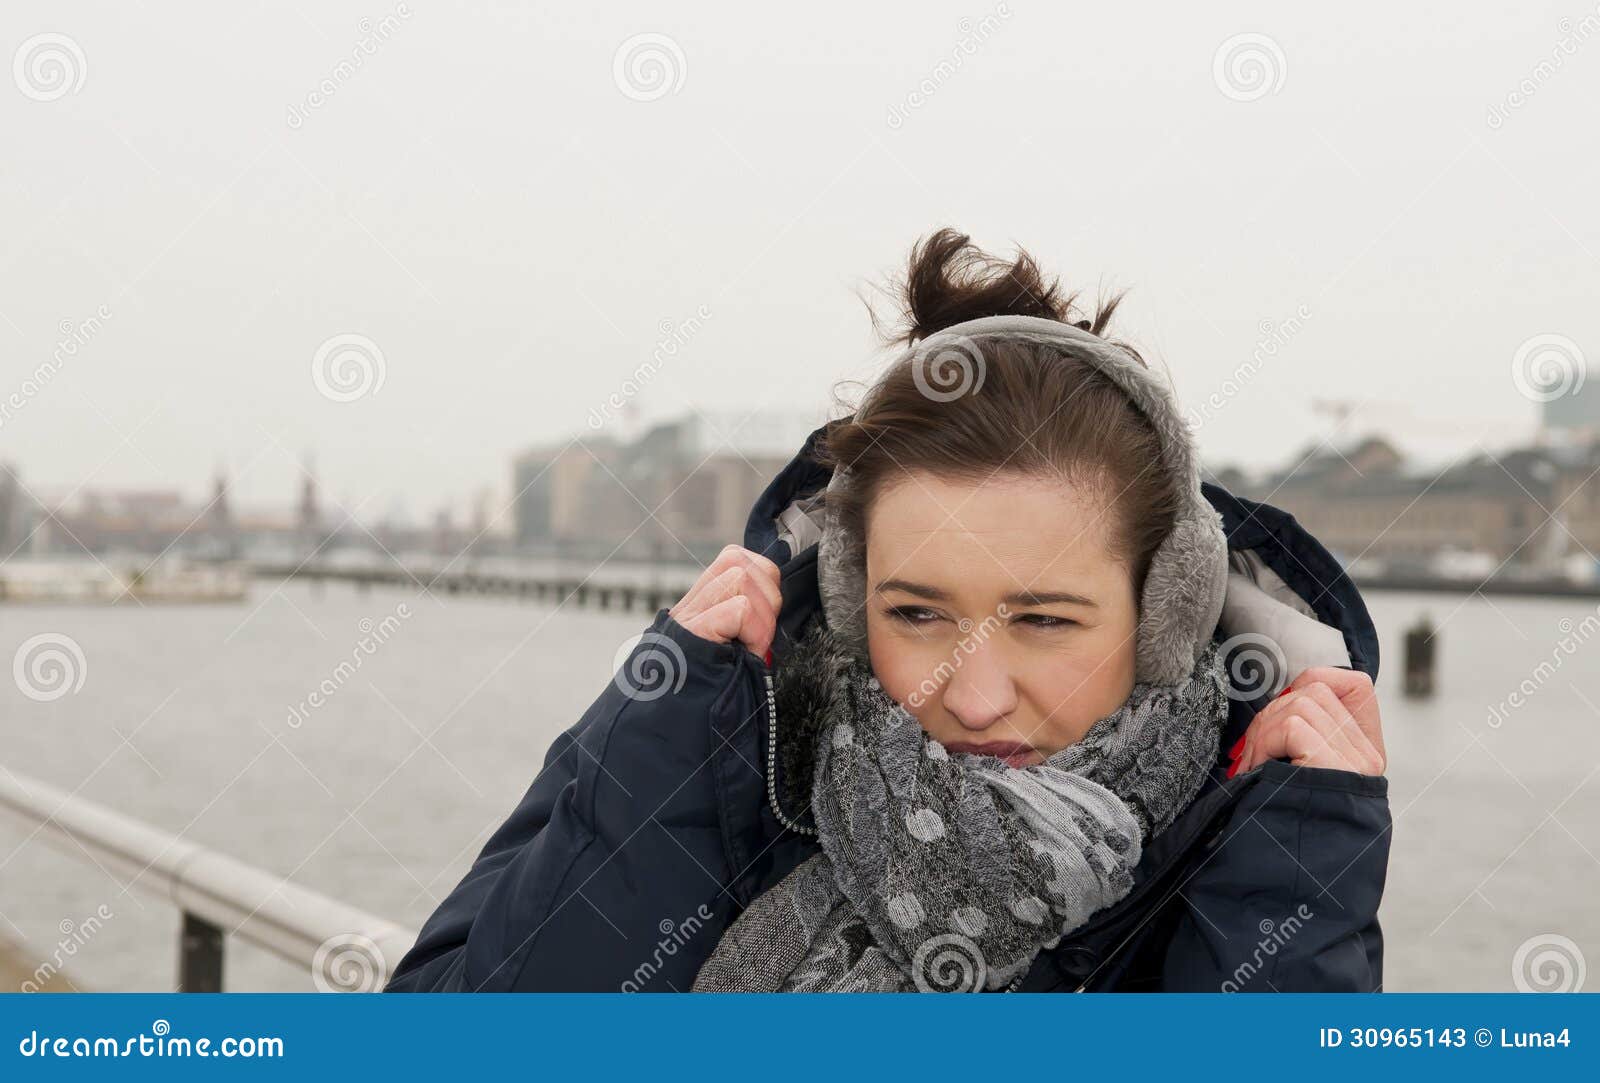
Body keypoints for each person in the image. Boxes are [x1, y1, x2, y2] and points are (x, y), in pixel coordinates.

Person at [386, 229, 1390, 993]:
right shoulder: (714, 739)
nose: (976, 695)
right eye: (917, 614)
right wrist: (663, 764)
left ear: (1165, 613)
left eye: (1043, 621)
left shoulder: (1243, 842)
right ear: (848, 591)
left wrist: (1296, 873)